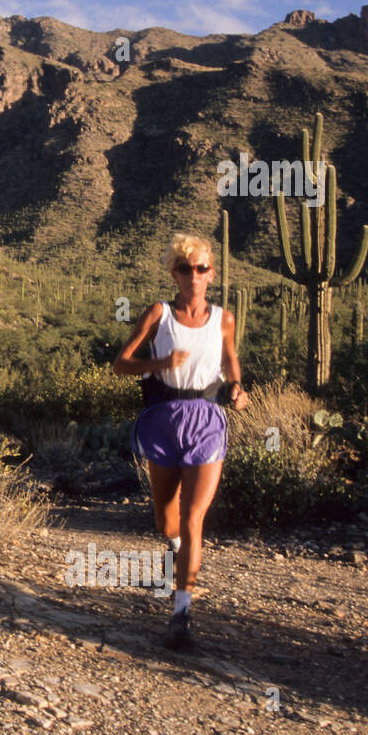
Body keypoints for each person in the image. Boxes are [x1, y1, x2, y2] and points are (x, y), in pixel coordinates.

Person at [112, 233, 249, 650]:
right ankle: (174, 548)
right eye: (185, 268)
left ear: (212, 274)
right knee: (165, 520)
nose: (194, 275)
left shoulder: (224, 319)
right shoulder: (160, 314)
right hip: (164, 419)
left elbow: (230, 363)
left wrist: (238, 390)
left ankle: (181, 612)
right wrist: (160, 363)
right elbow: (120, 364)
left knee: (193, 519)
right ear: (174, 273)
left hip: (206, 421)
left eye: (202, 268)